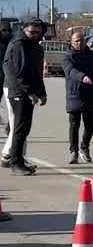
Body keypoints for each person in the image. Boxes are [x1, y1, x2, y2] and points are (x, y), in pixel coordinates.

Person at [4, 20, 48, 175]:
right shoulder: (19, 45)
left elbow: (37, 74)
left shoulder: (35, 47)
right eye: (32, 32)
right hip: (17, 91)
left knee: (24, 128)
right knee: (19, 128)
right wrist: (30, 93)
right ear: (24, 30)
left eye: (38, 32)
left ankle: (20, 160)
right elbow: (20, 74)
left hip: (27, 92)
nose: (35, 35)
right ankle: (15, 163)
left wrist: (42, 93)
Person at [64, 31, 93, 164]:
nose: (79, 43)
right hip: (74, 94)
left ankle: (84, 147)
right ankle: (73, 151)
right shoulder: (68, 56)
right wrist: (82, 77)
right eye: (76, 41)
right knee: (74, 125)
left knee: (89, 125)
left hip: (90, 94)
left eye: (81, 40)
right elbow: (70, 71)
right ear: (72, 42)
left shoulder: (92, 55)